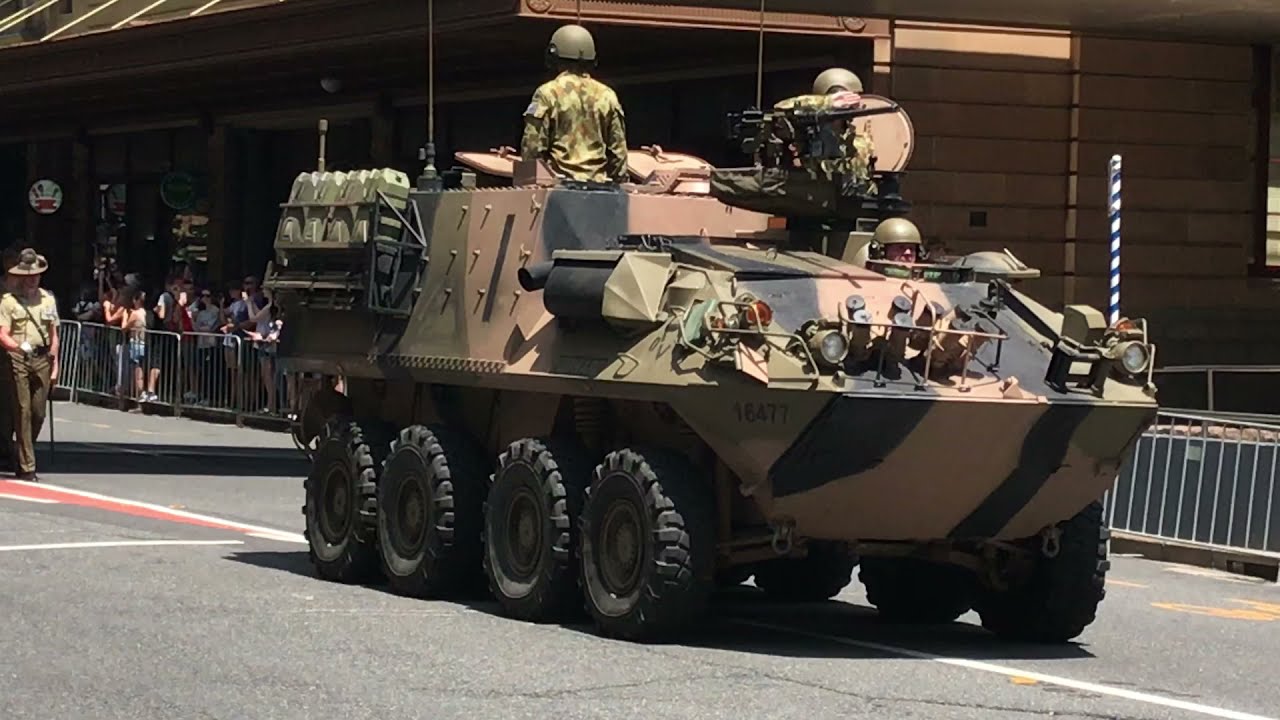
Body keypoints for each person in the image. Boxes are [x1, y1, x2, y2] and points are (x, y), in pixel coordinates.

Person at [520, 23, 628, 184]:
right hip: (599, 188)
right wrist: (618, 183)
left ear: (553, 55)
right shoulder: (607, 95)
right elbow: (618, 151)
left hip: (558, 187)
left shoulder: (548, 93)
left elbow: (532, 146)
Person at [0, 248, 59, 481]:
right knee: (22, 409)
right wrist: (16, 347)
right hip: (18, 357)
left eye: (36, 274)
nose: (33, 278)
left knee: (38, 412)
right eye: (28, 275)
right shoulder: (8, 301)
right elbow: (2, 333)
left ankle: (21, 450)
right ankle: (27, 465)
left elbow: (54, 334)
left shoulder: (47, 299)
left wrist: (56, 364)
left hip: (43, 358)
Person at [772, 67, 876, 194]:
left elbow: (862, 175)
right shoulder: (810, 129)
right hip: (812, 194)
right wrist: (826, 102)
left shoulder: (858, 139)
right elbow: (780, 108)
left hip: (846, 199)